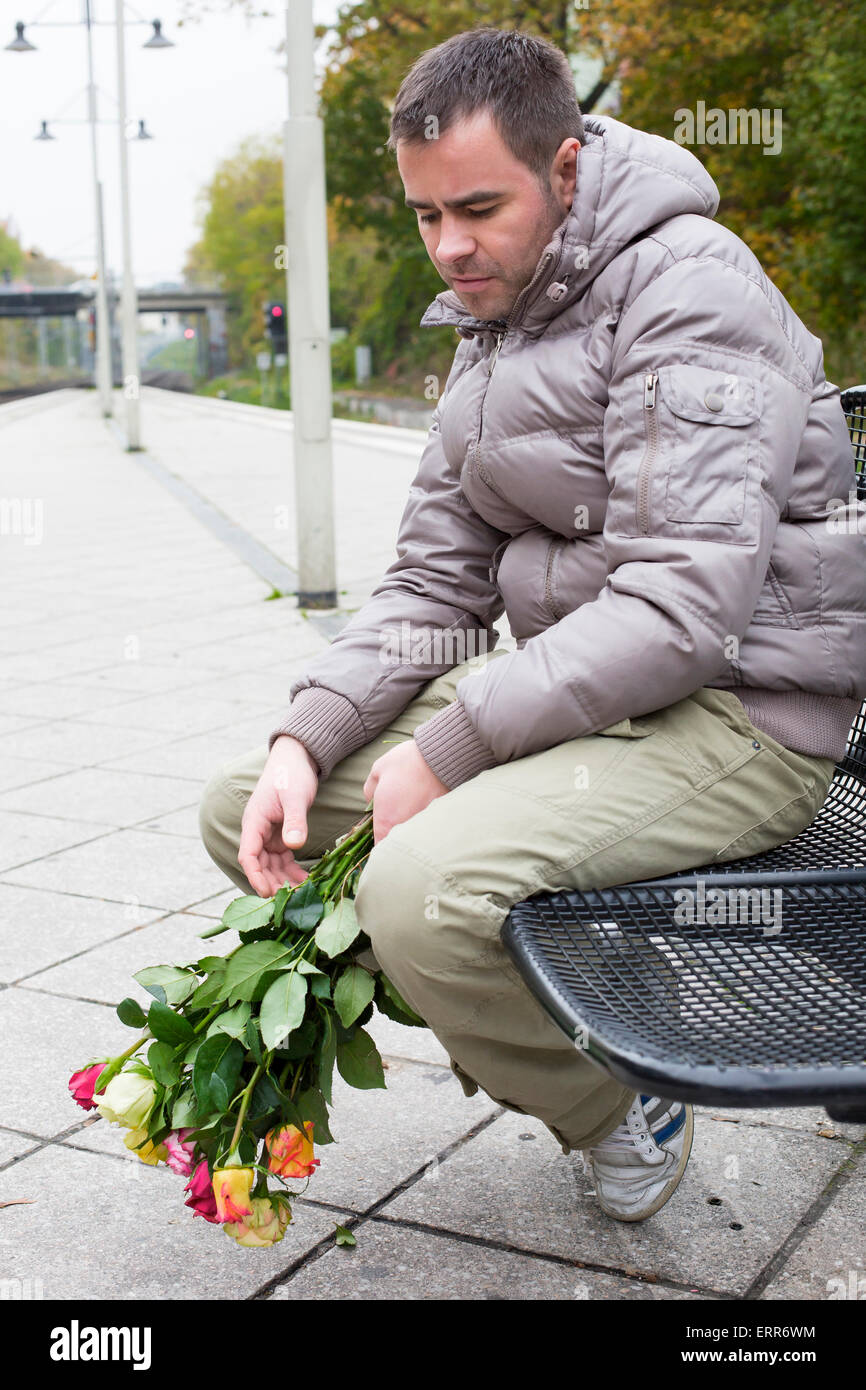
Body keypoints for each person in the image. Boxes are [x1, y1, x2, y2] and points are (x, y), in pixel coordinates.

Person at [199, 27, 865, 1221]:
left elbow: (678, 611)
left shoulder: (689, 289)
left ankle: (615, 1107)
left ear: (563, 169)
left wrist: (449, 752)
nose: (448, 246)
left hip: (734, 719)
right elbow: (429, 592)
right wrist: (308, 735)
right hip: (585, 698)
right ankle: (565, 990)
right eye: (421, 216)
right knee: (244, 805)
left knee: (413, 890)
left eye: (477, 206)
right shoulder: (495, 319)